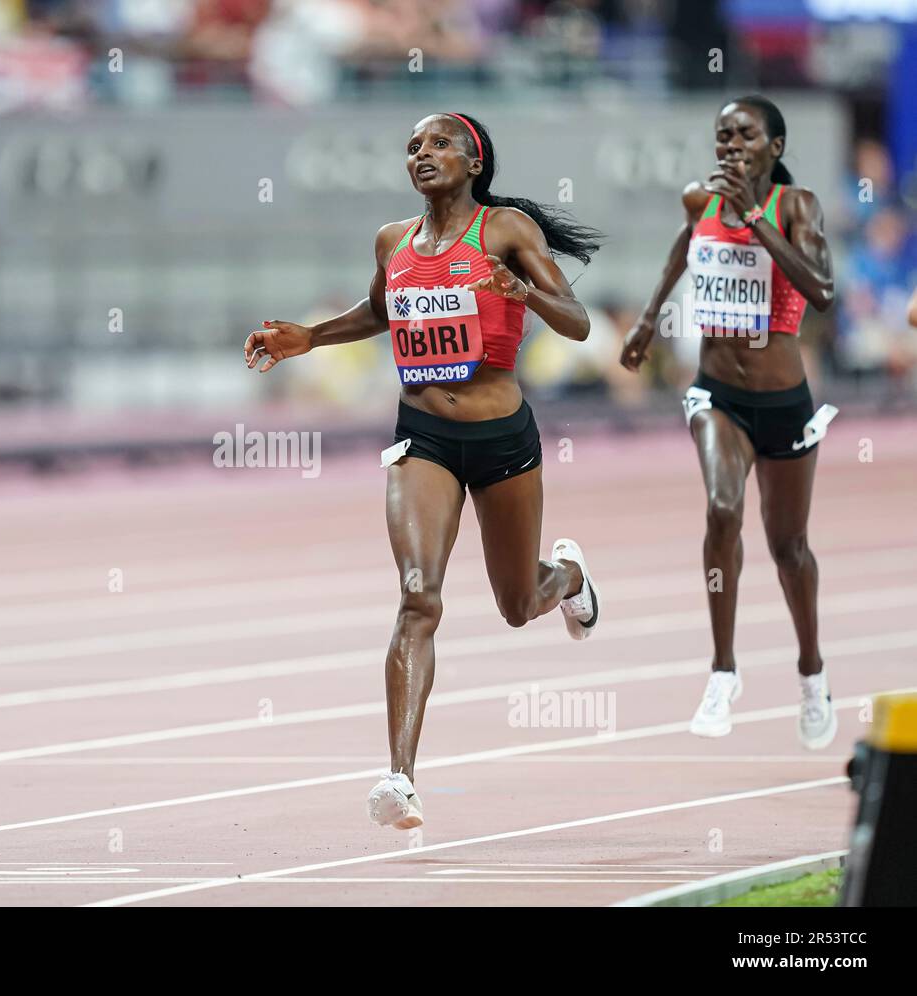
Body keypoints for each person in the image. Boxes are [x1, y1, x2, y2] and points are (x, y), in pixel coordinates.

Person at [245, 111, 603, 829]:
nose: (422, 153)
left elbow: (578, 321)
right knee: (418, 601)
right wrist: (309, 337)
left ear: (475, 161)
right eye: (412, 145)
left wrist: (520, 290)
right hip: (424, 439)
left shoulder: (506, 231)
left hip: (502, 438)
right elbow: (380, 310)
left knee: (515, 602)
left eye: (439, 143)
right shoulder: (394, 241)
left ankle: (566, 577)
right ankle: (398, 779)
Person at [620, 95, 837, 749]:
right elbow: (684, 249)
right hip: (716, 392)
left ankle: (811, 671)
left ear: (775, 147)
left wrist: (755, 220)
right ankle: (722, 671)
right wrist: (649, 317)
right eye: (722, 136)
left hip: (784, 403)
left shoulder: (797, 208)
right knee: (721, 509)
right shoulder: (700, 201)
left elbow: (823, 290)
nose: (731, 145)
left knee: (788, 547)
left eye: (745, 134)